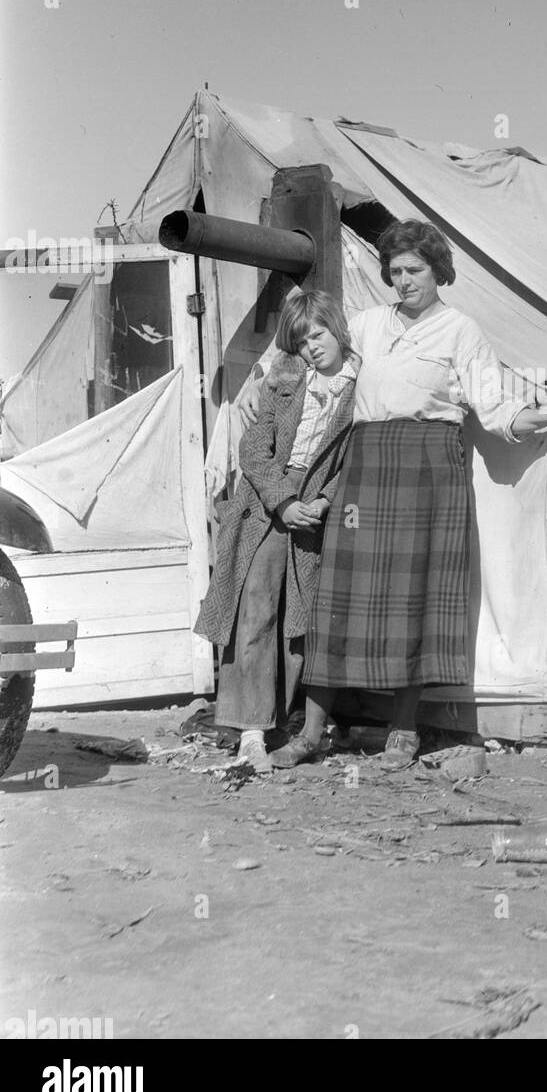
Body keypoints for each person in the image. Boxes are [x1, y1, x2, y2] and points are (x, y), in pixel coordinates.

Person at [269, 219, 547, 770]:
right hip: (368, 464)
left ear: (438, 271)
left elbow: (494, 409)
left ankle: (403, 731)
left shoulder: (461, 332)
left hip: (429, 469)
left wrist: (546, 415)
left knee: (411, 601)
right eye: (395, 272)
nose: (404, 281)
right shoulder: (368, 325)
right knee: (338, 599)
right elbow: (309, 350)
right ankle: (312, 731)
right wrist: (260, 385)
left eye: (414, 270)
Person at [194, 290, 357, 773]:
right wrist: (284, 501)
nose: (312, 347)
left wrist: (325, 500)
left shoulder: (361, 385)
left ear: (338, 330)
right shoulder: (285, 376)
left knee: (300, 620)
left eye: (319, 334)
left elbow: (356, 456)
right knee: (256, 607)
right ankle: (249, 730)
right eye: (303, 340)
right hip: (270, 503)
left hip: (318, 507)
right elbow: (253, 449)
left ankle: (279, 719)